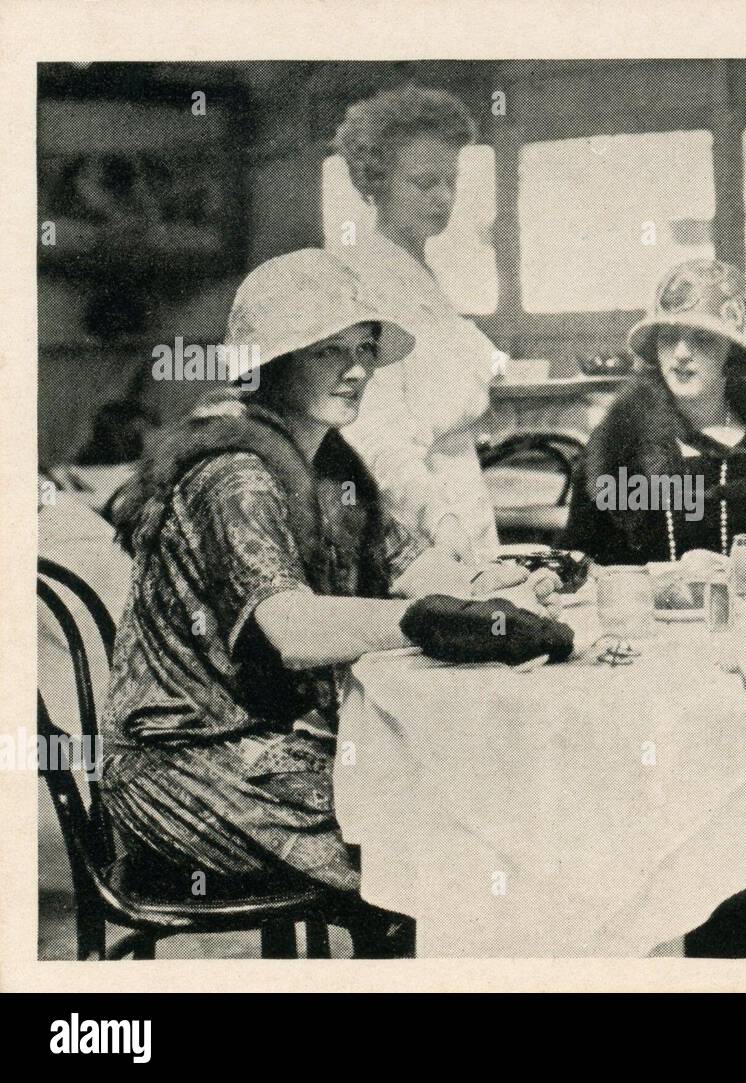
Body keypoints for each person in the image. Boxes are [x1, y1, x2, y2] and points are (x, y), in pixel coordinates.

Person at [103, 250, 566, 956]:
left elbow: (409, 563)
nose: (356, 369)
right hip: (180, 764)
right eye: (328, 351)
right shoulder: (235, 473)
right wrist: (429, 622)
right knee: (433, 832)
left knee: (463, 804)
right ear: (274, 361)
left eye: (364, 349)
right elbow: (293, 627)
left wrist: (489, 588)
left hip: (267, 746)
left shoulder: (329, 468)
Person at [561, 258, 746, 564]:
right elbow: (580, 560)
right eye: (668, 337)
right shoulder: (618, 444)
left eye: (702, 339)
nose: (680, 354)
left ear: (732, 350)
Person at [331, 84, 501, 551]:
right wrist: (442, 526)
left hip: (465, 503)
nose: (443, 197)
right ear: (376, 183)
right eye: (426, 183)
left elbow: (461, 367)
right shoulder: (367, 286)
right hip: (421, 525)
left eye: (451, 181)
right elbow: (376, 442)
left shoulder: (422, 277)